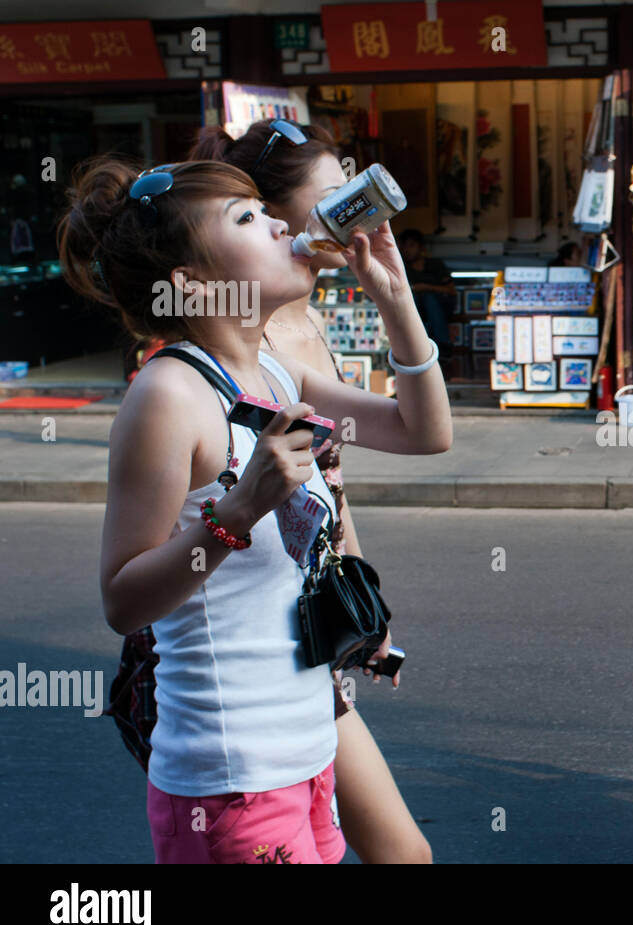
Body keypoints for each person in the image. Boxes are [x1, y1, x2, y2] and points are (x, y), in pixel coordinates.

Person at [58, 157, 452, 863]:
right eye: (247, 217)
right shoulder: (170, 395)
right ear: (194, 283)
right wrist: (236, 512)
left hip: (309, 757)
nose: (282, 222)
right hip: (229, 784)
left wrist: (395, 298)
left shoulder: (272, 370)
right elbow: (124, 601)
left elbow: (422, 431)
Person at [187, 122, 435, 863]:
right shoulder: (233, 351)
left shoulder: (300, 331)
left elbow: (342, 481)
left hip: (304, 640)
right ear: (271, 219)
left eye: (352, 191)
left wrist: (360, 603)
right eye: (335, 201)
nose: (355, 216)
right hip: (256, 676)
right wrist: (231, 520)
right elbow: (130, 589)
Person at [397, 228, 456, 350]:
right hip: (417, 307)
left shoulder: (435, 264)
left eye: (411, 245)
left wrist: (425, 287)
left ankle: (443, 344)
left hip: (443, 306)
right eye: (404, 246)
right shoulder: (403, 268)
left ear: (421, 247)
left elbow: (451, 290)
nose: (407, 250)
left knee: (428, 298)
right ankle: (415, 345)